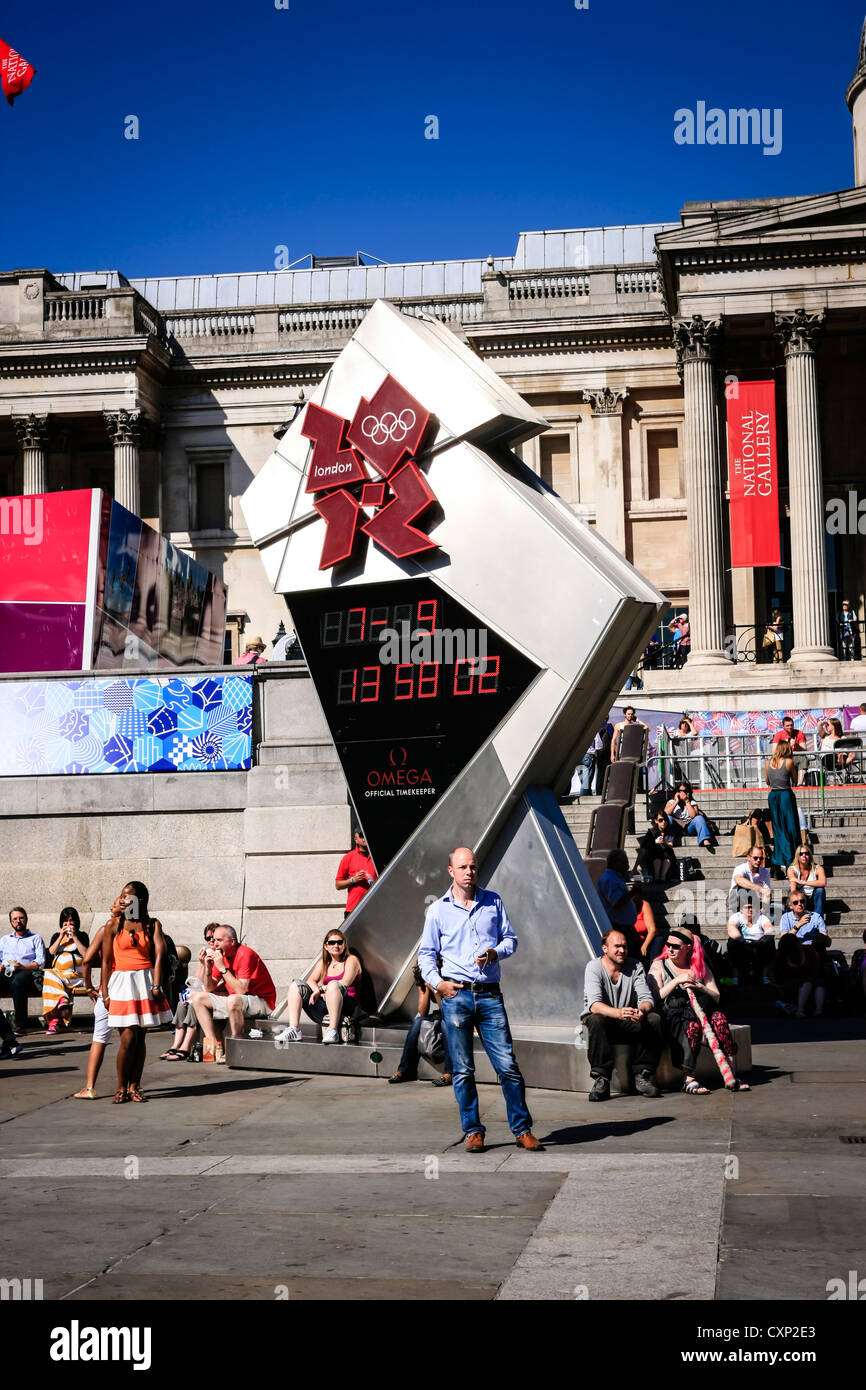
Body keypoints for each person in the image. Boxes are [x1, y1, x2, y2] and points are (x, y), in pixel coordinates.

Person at [418, 846, 543, 1153]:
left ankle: (522, 1129)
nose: (469, 872)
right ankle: (473, 1131)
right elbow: (425, 954)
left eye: (472, 867)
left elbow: (510, 940)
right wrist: (439, 984)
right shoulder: (438, 910)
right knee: (462, 1070)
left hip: (489, 996)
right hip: (456, 996)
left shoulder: (493, 901)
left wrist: (494, 953)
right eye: (462, 867)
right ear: (451, 871)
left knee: (508, 1066)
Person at [649, 926, 749, 1093]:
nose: (670, 949)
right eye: (668, 945)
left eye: (676, 946)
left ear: (688, 948)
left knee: (719, 1019)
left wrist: (700, 986)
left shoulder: (699, 966)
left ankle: (731, 1074)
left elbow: (716, 996)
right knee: (692, 1025)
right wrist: (676, 981)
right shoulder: (658, 965)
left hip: (701, 1011)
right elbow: (656, 996)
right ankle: (689, 1079)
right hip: (675, 1015)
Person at [101, 882, 172, 1102]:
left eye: (128, 897)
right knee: (128, 1038)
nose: (123, 901)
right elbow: (105, 961)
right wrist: (105, 992)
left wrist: (157, 984)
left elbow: (159, 956)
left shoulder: (152, 924)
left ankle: (135, 1086)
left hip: (145, 980)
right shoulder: (113, 925)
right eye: (122, 897)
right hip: (122, 983)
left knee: (140, 1037)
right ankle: (120, 1086)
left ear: (140, 900)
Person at [581, 929, 662, 1099]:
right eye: (617, 946)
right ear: (605, 948)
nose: (622, 951)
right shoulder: (593, 967)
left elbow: (647, 998)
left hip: (627, 1018)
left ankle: (643, 1075)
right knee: (595, 1020)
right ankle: (601, 1079)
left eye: (624, 947)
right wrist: (618, 1013)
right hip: (605, 1018)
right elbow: (594, 1005)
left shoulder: (635, 965)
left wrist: (642, 1010)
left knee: (653, 1019)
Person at [192, 924, 276, 1060]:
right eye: (213, 939)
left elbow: (241, 990)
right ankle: (213, 1045)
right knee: (198, 998)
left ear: (232, 942)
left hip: (262, 1000)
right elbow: (209, 989)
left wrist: (222, 968)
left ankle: (235, 1044)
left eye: (219, 940)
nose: (214, 943)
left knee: (234, 999)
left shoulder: (245, 954)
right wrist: (207, 968)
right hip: (238, 999)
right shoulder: (222, 956)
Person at [275, 928, 360, 1045]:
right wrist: (319, 991)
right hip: (325, 1008)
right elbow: (311, 980)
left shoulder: (351, 960)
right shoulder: (324, 963)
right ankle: (294, 1029)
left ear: (344, 945)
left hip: (346, 1008)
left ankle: (333, 1030)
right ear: (326, 946)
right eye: (332, 943)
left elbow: (345, 982)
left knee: (333, 985)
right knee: (296, 985)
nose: (336, 945)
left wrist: (323, 989)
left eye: (340, 942)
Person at [388, 963, 452, 1086]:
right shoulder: (425, 978)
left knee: (445, 1024)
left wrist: (436, 989)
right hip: (440, 1014)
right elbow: (422, 1012)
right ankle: (406, 1071)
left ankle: (450, 1073)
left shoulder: (448, 976)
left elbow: (447, 1011)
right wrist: (427, 987)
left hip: (453, 1014)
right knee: (418, 1021)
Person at [160, 924, 219, 1060]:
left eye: (213, 938)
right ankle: (175, 1045)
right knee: (182, 1005)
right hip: (202, 994)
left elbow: (209, 985)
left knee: (194, 1005)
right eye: (207, 938)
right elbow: (197, 981)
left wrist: (208, 966)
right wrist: (202, 963)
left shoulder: (220, 956)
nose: (211, 941)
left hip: (213, 995)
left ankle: (185, 1047)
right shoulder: (207, 954)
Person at [41, 908, 89, 1033]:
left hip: (75, 976)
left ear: (76, 923)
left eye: (71, 921)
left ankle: (54, 1018)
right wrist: (61, 936)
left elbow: (86, 954)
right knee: (49, 974)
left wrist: (75, 938)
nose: (68, 925)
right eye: (65, 922)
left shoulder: (82, 935)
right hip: (59, 976)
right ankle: (55, 1019)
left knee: (50, 980)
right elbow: (51, 952)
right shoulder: (57, 936)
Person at [0, 907, 45, 1032]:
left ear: (26, 919)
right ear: (11, 922)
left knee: (18, 981)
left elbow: (40, 963)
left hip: (27, 972)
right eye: (15, 919)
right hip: (7, 972)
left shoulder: (35, 938)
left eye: (21, 918)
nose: (18, 921)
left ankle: (20, 1025)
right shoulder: (5, 940)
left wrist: (22, 967)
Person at [770, 933, 824, 1019]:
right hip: (790, 983)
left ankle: (817, 1010)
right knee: (810, 983)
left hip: (807, 979)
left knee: (816, 984)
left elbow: (816, 965)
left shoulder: (808, 950)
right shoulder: (780, 955)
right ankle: (803, 1010)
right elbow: (774, 972)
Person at [765, 740, 799, 873]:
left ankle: (779, 859)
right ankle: (791, 857)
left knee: (778, 828)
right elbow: (795, 780)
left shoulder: (768, 763)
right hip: (785, 794)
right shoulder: (789, 762)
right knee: (791, 827)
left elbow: (768, 781)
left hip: (773, 795)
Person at [726, 899, 775, 984]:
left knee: (770, 942)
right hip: (742, 946)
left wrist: (761, 942)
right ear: (741, 909)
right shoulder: (736, 916)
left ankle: (765, 976)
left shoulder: (761, 917)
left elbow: (770, 930)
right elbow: (731, 929)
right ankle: (735, 977)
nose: (751, 909)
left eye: (753, 907)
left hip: (759, 946)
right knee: (731, 941)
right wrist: (743, 942)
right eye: (747, 907)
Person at [335, 829, 377, 917]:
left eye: (365, 834)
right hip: (353, 909)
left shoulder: (376, 856)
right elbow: (338, 885)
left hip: (375, 907)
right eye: (361, 836)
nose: (364, 838)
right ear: (355, 839)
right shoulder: (348, 857)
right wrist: (353, 880)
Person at [597, 849, 639, 937]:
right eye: (624, 863)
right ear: (615, 863)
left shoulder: (616, 878)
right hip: (617, 928)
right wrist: (633, 892)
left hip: (623, 928)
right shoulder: (610, 879)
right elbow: (617, 902)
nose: (627, 866)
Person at [728, 845, 774, 918]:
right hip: (736, 900)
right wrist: (760, 889)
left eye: (761, 858)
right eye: (755, 858)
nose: (758, 860)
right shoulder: (740, 868)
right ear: (748, 857)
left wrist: (763, 910)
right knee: (742, 889)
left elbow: (767, 893)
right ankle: (742, 913)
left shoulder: (765, 872)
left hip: (754, 901)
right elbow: (738, 880)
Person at [664, 781, 713, 848]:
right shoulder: (671, 802)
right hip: (676, 828)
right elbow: (665, 813)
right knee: (668, 818)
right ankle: (669, 841)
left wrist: (687, 801)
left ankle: (705, 839)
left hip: (689, 828)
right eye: (679, 790)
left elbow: (693, 815)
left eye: (684, 791)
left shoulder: (692, 803)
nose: (681, 793)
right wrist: (676, 801)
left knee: (699, 818)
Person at [635, 810, 678, 883]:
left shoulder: (669, 831)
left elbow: (671, 844)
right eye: (661, 820)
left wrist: (664, 842)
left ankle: (663, 878)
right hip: (654, 856)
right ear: (656, 821)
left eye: (665, 820)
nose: (663, 822)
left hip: (667, 856)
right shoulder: (651, 832)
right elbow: (644, 848)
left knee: (667, 856)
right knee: (657, 857)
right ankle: (657, 877)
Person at [787, 847, 827, 920]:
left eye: (806, 853)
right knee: (790, 890)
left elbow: (823, 882)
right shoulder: (792, 869)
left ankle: (818, 920)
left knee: (820, 890)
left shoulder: (818, 868)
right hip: (800, 900)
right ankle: (794, 919)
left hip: (813, 898)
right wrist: (796, 900)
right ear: (797, 856)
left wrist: (803, 882)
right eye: (801, 854)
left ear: (810, 856)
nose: (804, 855)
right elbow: (793, 885)